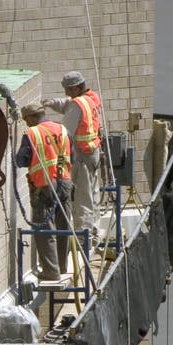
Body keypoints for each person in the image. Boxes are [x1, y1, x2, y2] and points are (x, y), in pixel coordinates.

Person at [15, 102, 73, 282]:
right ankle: (62, 266)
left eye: (26, 120)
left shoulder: (32, 134)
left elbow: (22, 160)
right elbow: (74, 155)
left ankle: (51, 270)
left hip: (45, 185)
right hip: (65, 182)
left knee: (44, 228)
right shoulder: (62, 130)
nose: (26, 124)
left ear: (33, 117)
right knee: (63, 224)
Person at [44, 71, 102, 234]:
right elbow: (67, 104)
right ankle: (94, 230)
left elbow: (64, 131)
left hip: (82, 156)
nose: (66, 93)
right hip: (93, 152)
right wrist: (50, 103)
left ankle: (84, 234)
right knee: (93, 193)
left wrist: (45, 127)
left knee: (82, 197)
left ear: (76, 89)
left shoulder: (77, 104)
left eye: (68, 90)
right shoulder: (91, 98)